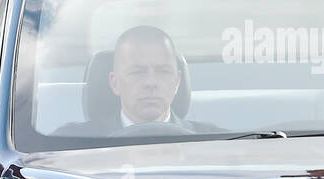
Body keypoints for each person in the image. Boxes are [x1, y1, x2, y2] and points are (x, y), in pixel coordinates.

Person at [52, 25, 222, 135]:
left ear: (177, 82)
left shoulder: (213, 143)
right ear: (114, 83)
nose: (151, 82)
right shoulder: (71, 144)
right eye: (138, 72)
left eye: (162, 71)